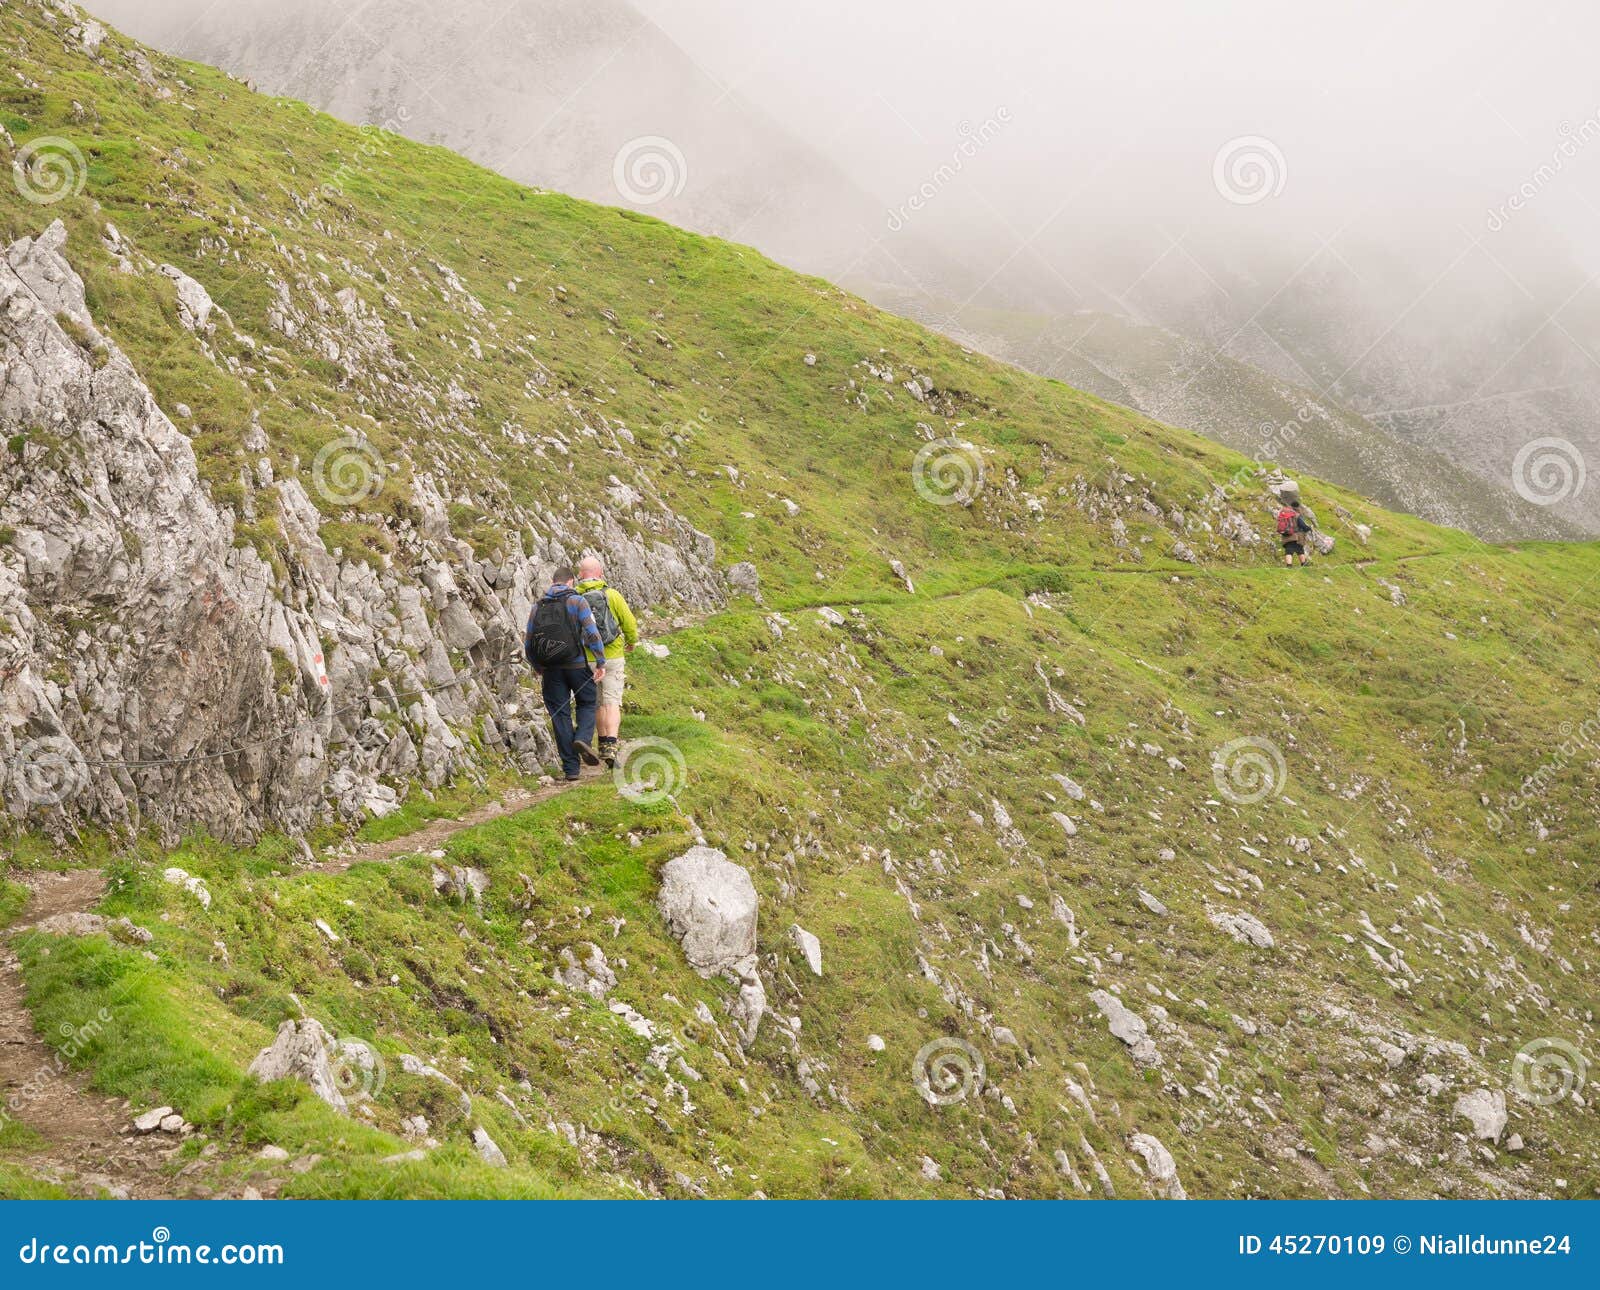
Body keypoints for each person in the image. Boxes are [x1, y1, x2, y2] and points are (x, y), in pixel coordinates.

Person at [524, 566, 607, 781]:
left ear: (553, 582)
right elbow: (592, 633)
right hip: (577, 666)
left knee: (560, 714)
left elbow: (529, 642)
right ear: (571, 582)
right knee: (587, 703)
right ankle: (582, 739)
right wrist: (600, 661)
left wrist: (538, 666)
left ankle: (571, 769)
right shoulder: (577, 601)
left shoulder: (537, 607)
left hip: (551, 670)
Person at [574, 556, 639, 768]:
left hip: (587, 658)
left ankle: (602, 743)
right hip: (612, 656)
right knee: (611, 702)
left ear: (580, 574)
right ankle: (610, 746)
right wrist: (631, 641)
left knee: (597, 703)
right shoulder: (612, 595)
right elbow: (629, 622)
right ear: (600, 573)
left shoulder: (575, 597)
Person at [1276, 498, 1315, 567]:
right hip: (1296, 536)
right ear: (1297, 507)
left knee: (1290, 550)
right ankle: (1302, 564)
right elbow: (1303, 526)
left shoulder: (1285, 513)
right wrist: (1309, 528)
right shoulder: (1296, 515)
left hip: (1286, 535)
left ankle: (1290, 565)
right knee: (1299, 550)